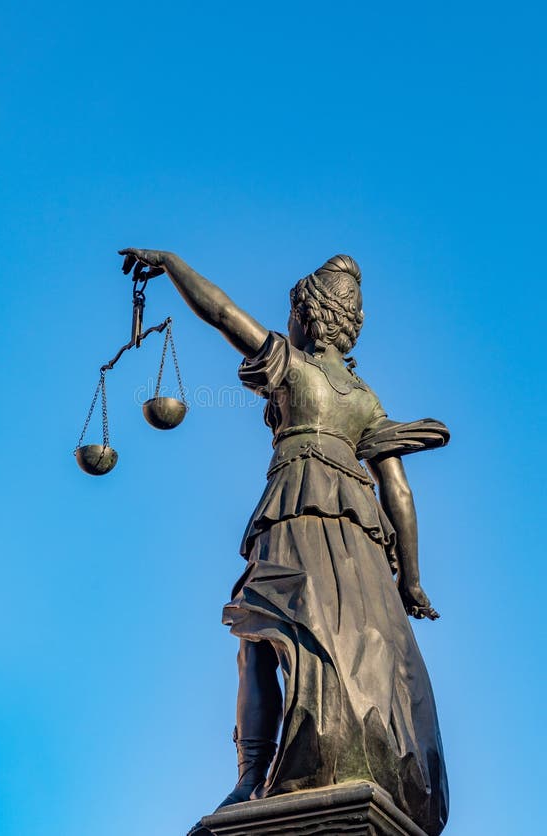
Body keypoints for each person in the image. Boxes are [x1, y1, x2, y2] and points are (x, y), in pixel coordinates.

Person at [119, 249, 449, 836]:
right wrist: (412, 579)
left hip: (297, 513)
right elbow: (398, 492)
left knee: (262, 633)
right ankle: (296, 765)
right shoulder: (368, 401)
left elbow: (221, 313)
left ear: (309, 316)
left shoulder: (293, 366)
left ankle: (251, 776)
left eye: (295, 311)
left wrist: (170, 263)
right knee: (344, 646)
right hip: (361, 537)